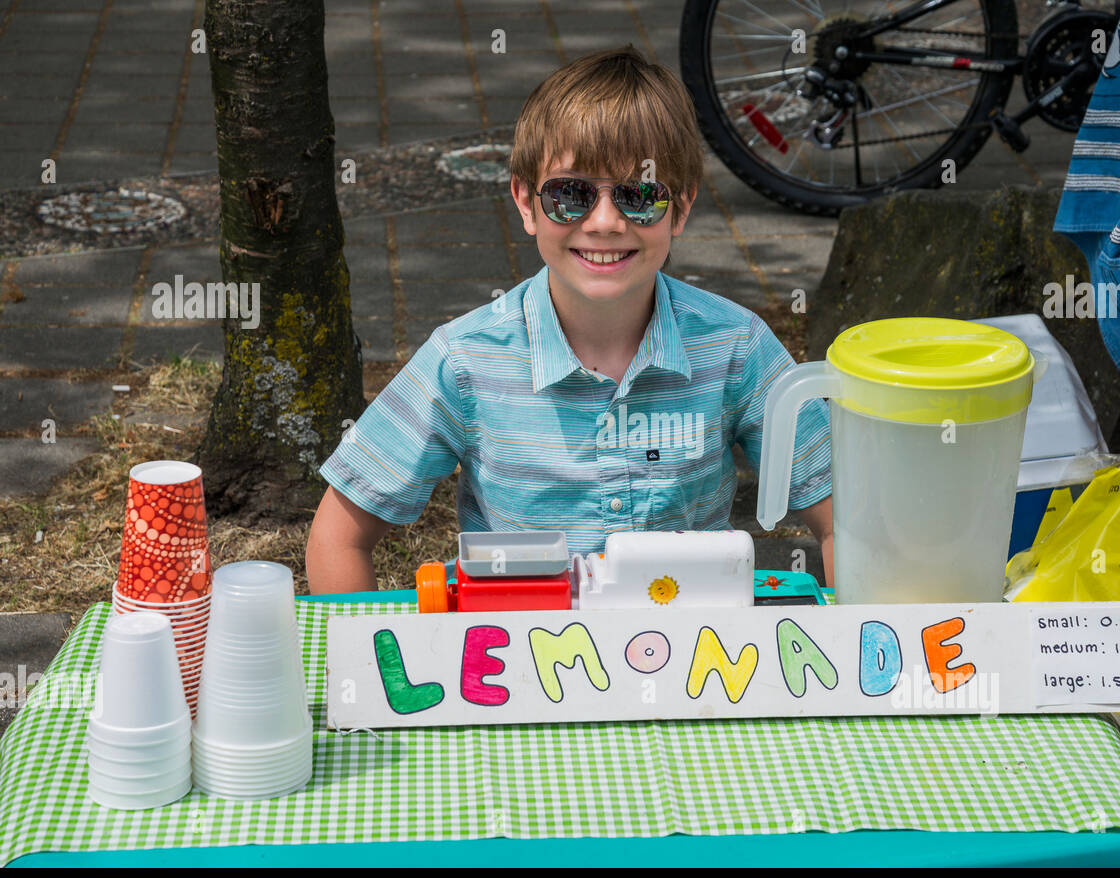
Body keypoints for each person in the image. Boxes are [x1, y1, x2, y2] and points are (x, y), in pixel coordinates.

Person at [306, 46, 833, 594]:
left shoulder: (735, 346)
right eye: (570, 194)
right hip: (521, 669)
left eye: (639, 195)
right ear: (525, 203)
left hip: (693, 666)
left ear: (682, 207)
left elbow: (844, 519)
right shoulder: (464, 359)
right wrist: (369, 670)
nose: (604, 222)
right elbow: (340, 535)